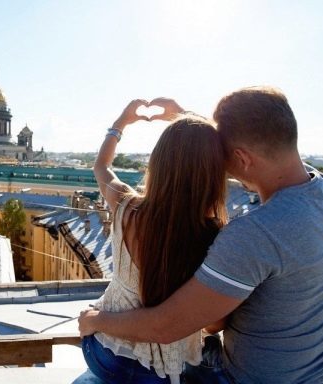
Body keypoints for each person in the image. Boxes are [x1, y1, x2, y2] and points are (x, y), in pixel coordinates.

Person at [79, 87, 323, 384]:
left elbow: (166, 327)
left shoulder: (252, 235)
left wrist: (96, 319)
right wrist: (187, 119)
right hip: (316, 375)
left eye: (222, 155)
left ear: (242, 157)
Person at [82, 99, 228, 384]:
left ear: (157, 162)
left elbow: (101, 166)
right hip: (167, 373)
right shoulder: (217, 236)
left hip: (107, 355)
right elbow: (214, 325)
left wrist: (120, 123)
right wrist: (186, 117)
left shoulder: (127, 207)